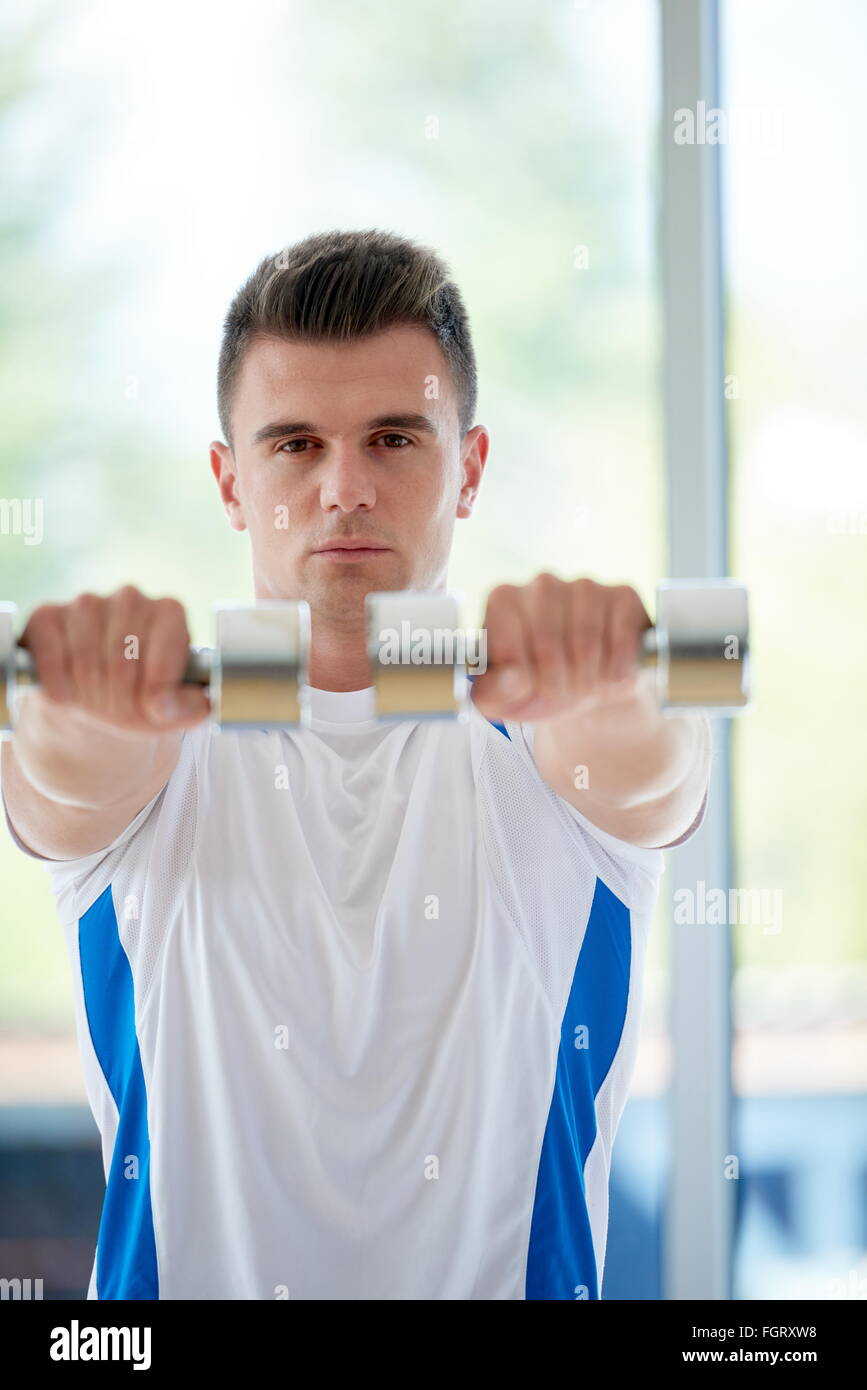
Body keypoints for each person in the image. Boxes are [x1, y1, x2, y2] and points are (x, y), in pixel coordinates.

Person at [1, 228, 710, 1300]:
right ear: (230, 481)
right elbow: (67, 774)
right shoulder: (145, 734)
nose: (344, 489)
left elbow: (652, 757)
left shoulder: (561, 734)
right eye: (293, 444)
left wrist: (610, 675)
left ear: (467, 467)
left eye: (392, 438)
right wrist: (82, 697)